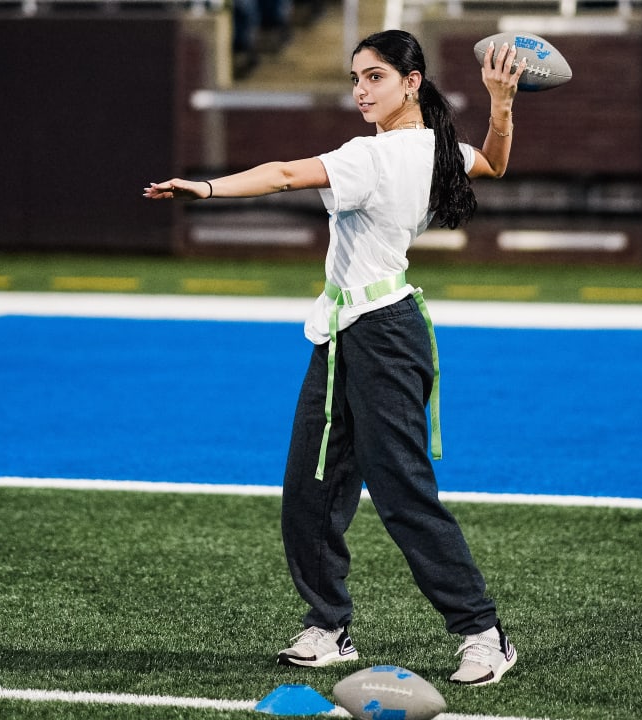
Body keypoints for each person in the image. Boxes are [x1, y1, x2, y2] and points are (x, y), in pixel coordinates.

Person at [144, 28, 525, 686]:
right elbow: (491, 162)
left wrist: (206, 189)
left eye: (374, 77)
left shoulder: (374, 158)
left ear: (412, 82)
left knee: (402, 493)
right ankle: (328, 626)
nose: (360, 90)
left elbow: (286, 174)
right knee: (311, 488)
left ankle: (482, 632)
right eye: (355, 78)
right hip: (345, 332)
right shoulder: (434, 149)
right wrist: (502, 105)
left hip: (383, 334)